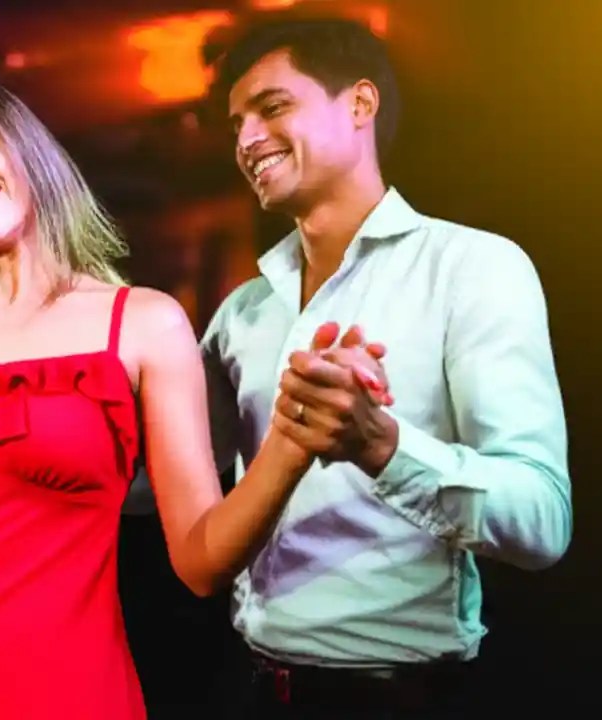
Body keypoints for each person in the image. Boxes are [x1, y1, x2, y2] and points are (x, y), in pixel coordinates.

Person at [0, 74, 387, 720]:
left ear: (30, 152)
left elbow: (200, 561)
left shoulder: (142, 322)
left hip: (54, 688)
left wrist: (290, 439)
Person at [202, 18, 572, 718]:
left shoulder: (473, 269)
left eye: (272, 108)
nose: (246, 140)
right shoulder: (242, 314)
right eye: (236, 124)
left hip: (402, 698)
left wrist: (381, 445)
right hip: (250, 687)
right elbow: (165, 492)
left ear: (360, 105)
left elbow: (543, 520)